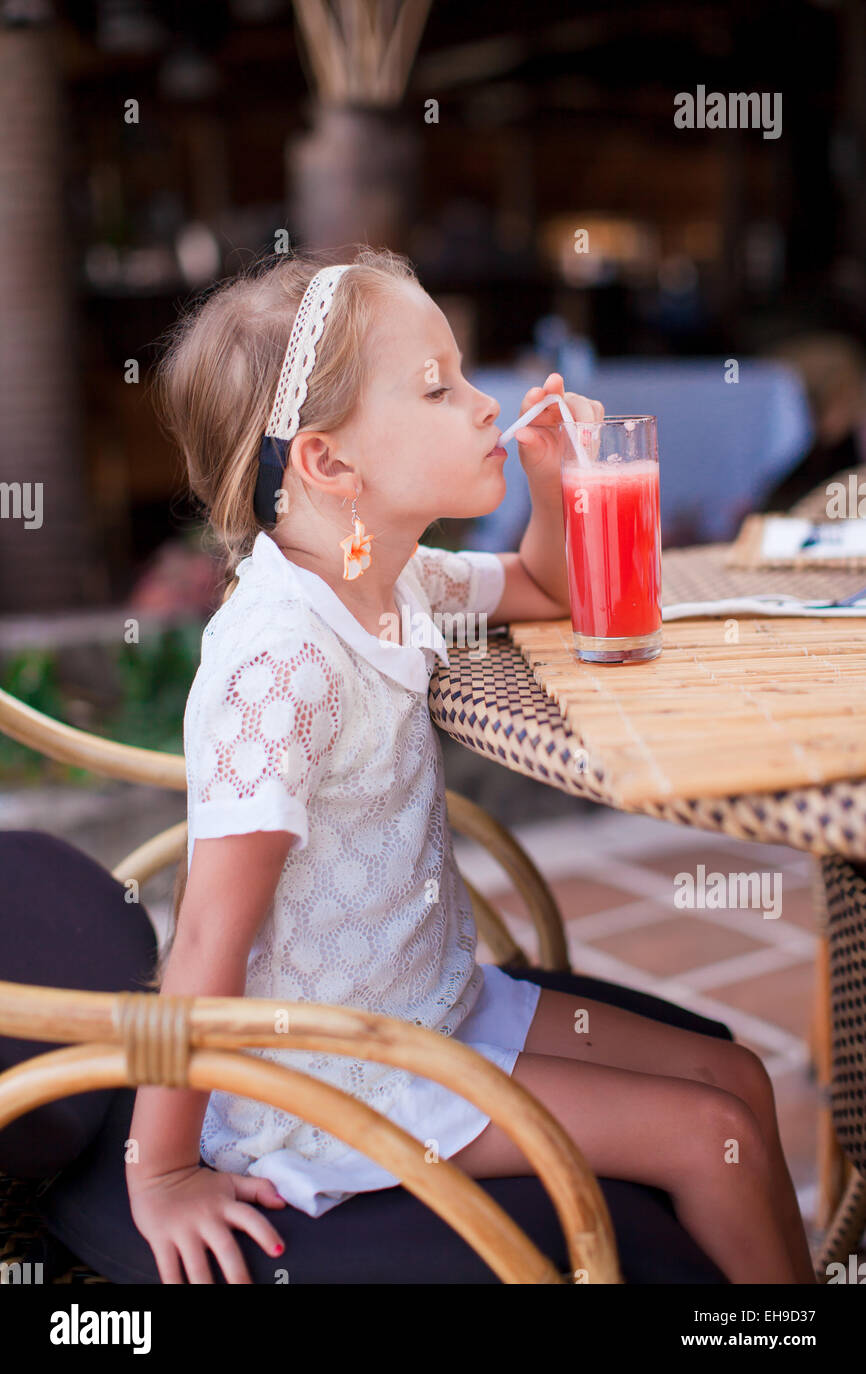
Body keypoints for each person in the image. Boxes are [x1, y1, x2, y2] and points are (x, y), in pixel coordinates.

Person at [127, 247, 815, 1285]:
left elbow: (544, 588)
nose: (484, 402)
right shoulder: (281, 659)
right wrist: (163, 1169)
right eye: (437, 386)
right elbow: (206, 942)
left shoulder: (389, 574)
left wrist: (548, 487)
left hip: (433, 1001)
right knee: (701, 1132)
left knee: (736, 1079)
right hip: (332, 1075)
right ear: (327, 463)